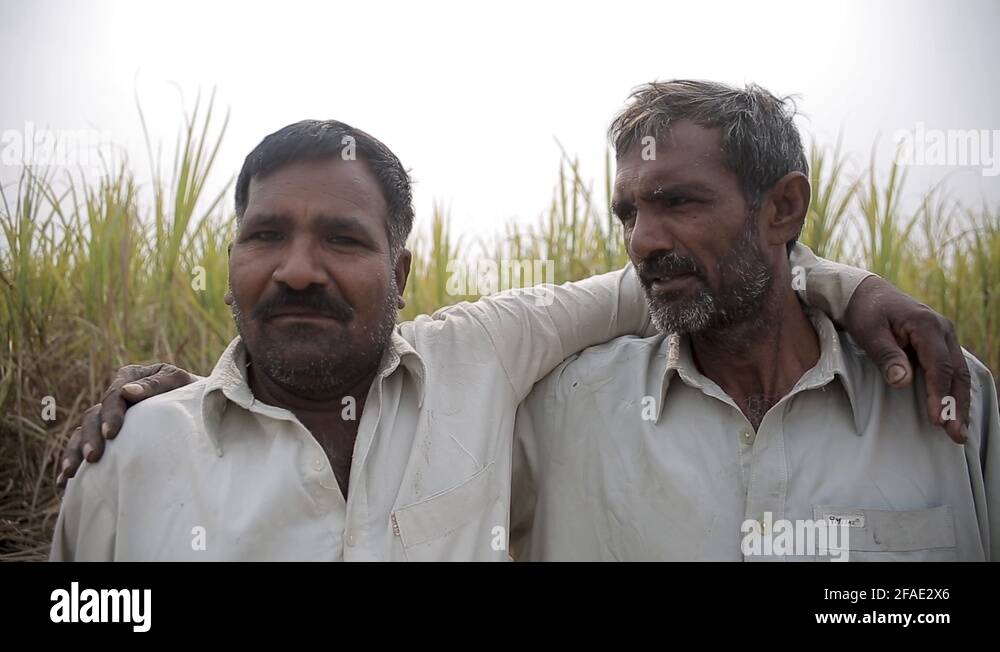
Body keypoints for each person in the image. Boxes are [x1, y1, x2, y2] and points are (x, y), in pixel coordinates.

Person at [52, 98, 971, 561]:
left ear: (403, 274)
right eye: (264, 236)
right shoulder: (129, 464)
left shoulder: (484, 362)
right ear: (229, 266)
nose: (298, 268)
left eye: (342, 238)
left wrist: (853, 290)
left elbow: (674, 275)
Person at [509, 80, 998, 561]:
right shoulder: (563, 413)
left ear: (783, 208)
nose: (641, 242)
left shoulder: (945, 397)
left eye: (677, 202)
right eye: (628, 214)